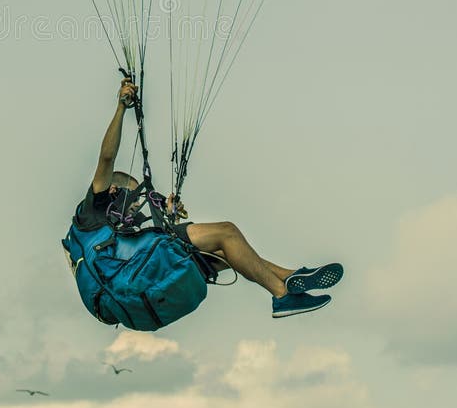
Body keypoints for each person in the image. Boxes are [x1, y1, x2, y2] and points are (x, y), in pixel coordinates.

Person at [74, 78, 343, 318]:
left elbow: (145, 240)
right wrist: (121, 107)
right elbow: (107, 158)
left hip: (142, 275)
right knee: (226, 233)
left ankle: (288, 277)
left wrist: (165, 214)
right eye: (130, 195)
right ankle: (282, 296)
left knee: (224, 251)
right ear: (112, 190)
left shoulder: (126, 230)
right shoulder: (94, 209)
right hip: (131, 276)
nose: (135, 203)